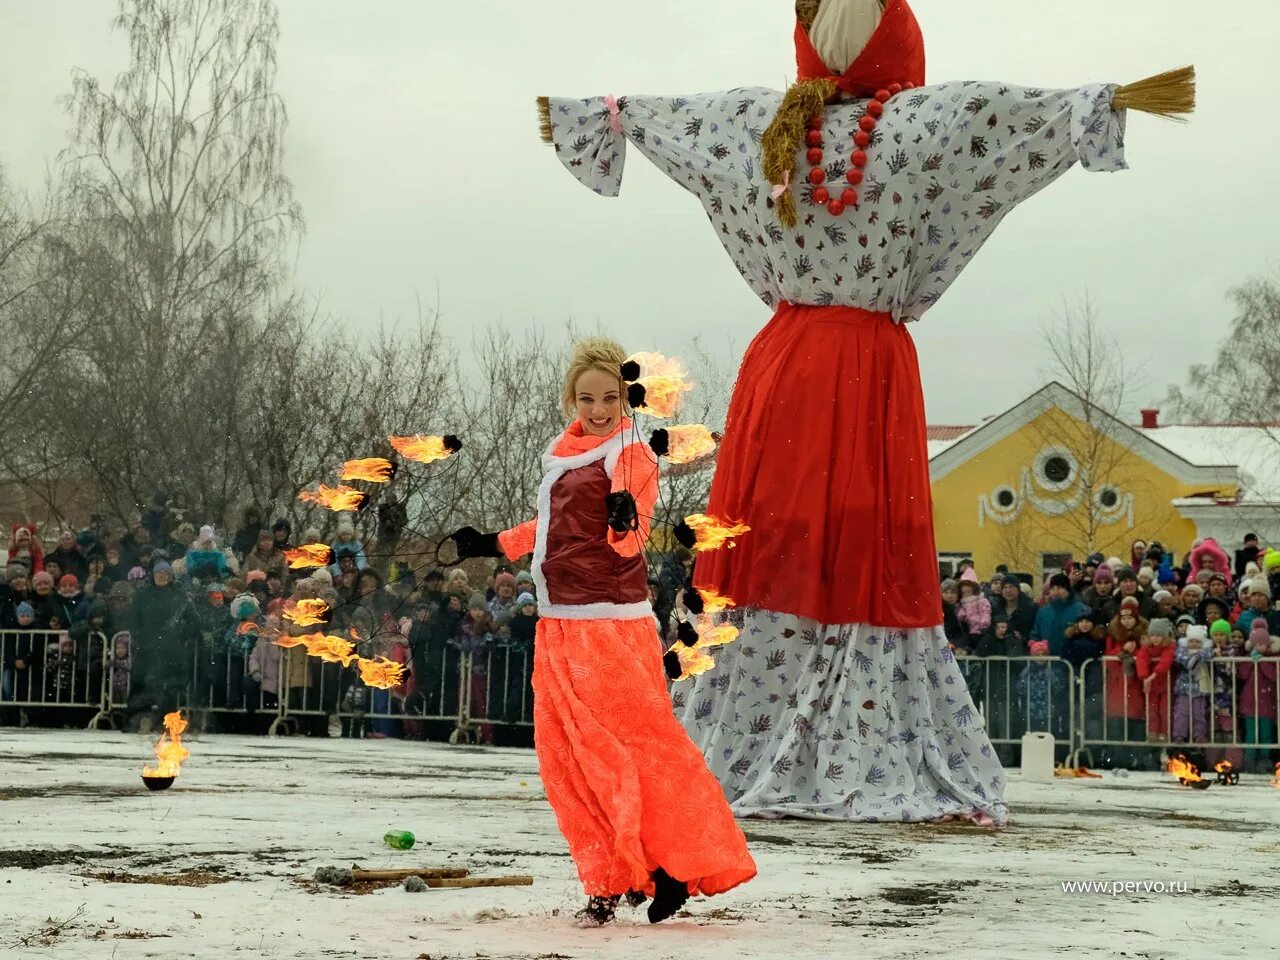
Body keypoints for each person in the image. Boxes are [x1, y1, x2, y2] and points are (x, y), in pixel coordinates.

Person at [538, 0, 1190, 824]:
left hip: (784, 364)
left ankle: (739, 739)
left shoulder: (761, 123)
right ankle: (855, 745)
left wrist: (608, 116)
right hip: (869, 367)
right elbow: (1005, 115)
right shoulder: (915, 124)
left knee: (774, 539)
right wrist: (1102, 102)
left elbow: (670, 118)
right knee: (864, 543)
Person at [447, 338, 755, 925]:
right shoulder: (565, 453)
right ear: (571, 399)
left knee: (637, 750)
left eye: (610, 397)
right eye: (587, 397)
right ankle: (610, 878)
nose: (598, 408)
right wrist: (492, 544)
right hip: (560, 625)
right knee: (570, 760)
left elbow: (630, 540)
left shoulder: (632, 451)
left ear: (624, 397)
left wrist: (625, 520)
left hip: (611, 626)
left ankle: (673, 867)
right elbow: (552, 525)